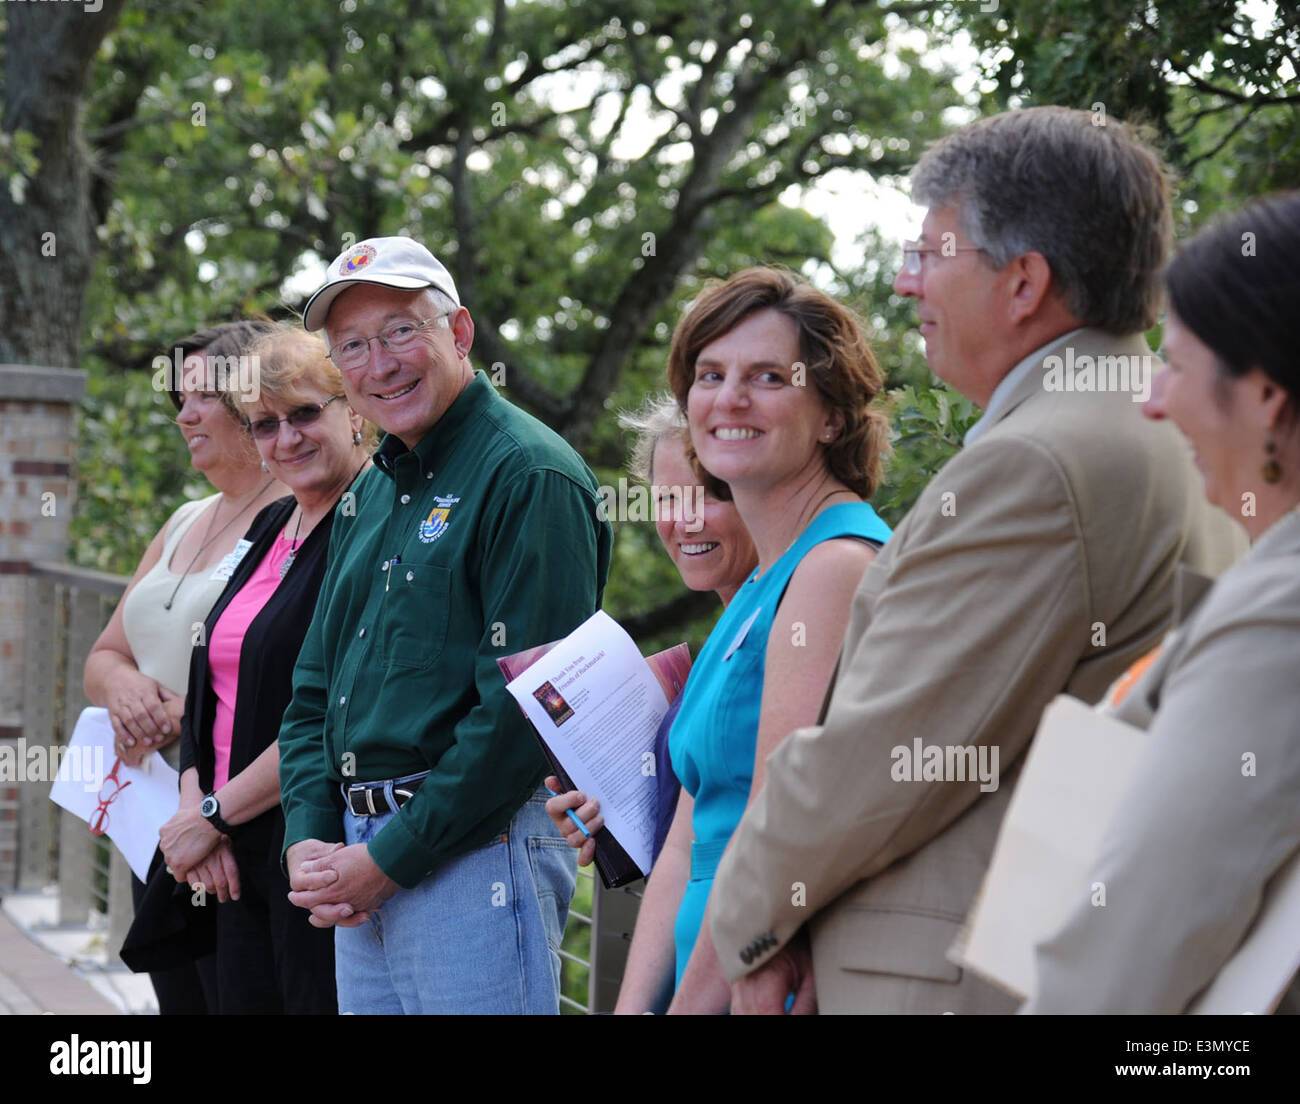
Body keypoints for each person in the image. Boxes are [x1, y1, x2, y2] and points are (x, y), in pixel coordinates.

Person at [708, 106, 1245, 1014]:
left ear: (1024, 282)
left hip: (952, 980)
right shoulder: (1159, 432)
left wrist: (751, 915)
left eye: (929, 254)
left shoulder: (1037, 461)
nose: (908, 283)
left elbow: (888, 749)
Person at [277, 236, 613, 1014]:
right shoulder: (371, 491)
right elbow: (314, 688)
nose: (380, 363)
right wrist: (309, 837)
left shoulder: (530, 474)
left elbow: (523, 712)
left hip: (475, 852)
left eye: (401, 330)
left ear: (458, 333)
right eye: (352, 347)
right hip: (358, 861)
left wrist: (390, 859)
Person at [559, 268, 893, 1013]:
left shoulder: (835, 566)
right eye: (710, 374)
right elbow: (688, 838)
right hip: (694, 971)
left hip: (751, 979)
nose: (730, 398)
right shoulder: (756, 590)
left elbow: (770, 830)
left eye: (768, 376)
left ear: (833, 418)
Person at [1024, 191, 1300, 1013]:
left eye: (1173, 364)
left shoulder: (1280, 612)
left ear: (1262, 397)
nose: (1152, 400)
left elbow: (1138, 935)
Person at [155, 326, 372, 1013]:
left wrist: (215, 816)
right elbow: (204, 683)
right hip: (222, 849)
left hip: (303, 844)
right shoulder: (273, 522)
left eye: (306, 413)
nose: (287, 438)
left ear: (354, 412)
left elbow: (333, 712)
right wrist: (196, 809)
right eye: (266, 424)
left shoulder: (371, 531)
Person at [86, 320, 283, 1013]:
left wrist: (184, 716)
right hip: (153, 821)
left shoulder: (296, 519)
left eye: (202, 397)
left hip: (233, 822)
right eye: (180, 397)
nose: (183, 414)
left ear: (251, 401)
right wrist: (128, 688)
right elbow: (105, 654)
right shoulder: (184, 517)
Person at [544, 396, 759, 1011]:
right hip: (683, 954)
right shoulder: (717, 643)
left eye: (710, 494)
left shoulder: (784, 623)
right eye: (668, 499)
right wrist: (610, 820)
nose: (684, 522)